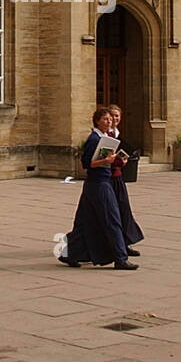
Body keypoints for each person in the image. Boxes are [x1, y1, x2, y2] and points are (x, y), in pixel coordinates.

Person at [58, 108, 138, 269]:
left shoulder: (104, 137)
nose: (109, 122)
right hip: (99, 184)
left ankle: (70, 254)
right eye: (106, 119)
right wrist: (106, 161)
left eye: (110, 119)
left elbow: (104, 161)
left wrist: (116, 161)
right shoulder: (94, 139)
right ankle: (120, 258)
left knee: (84, 221)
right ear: (97, 121)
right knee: (112, 219)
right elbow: (87, 164)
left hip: (97, 183)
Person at [108, 104, 143, 257]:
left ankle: (125, 242)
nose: (114, 119)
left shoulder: (116, 133)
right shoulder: (104, 135)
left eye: (117, 116)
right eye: (111, 116)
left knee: (123, 210)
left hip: (117, 177)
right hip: (107, 179)